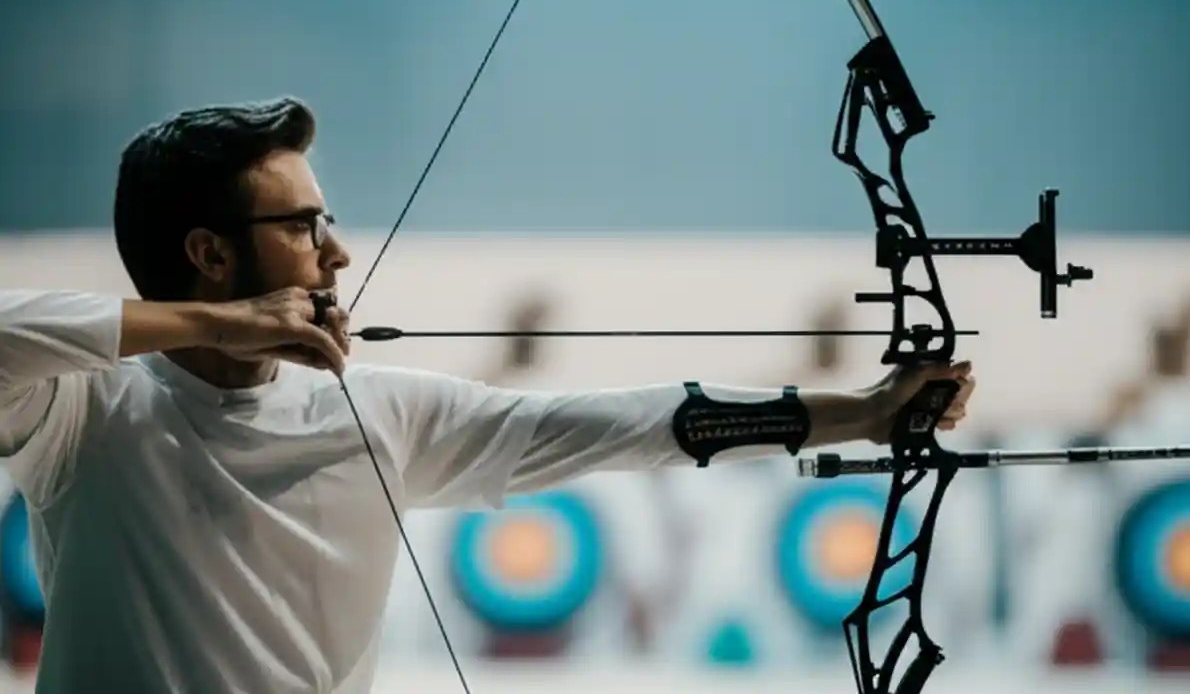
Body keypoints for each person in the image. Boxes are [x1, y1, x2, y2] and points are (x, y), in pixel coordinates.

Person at [0, 97, 975, 693]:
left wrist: (862, 412)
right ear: (209, 256)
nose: (337, 252)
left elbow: (630, 427)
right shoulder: (81, 414)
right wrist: (212, 325)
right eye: (303, 227)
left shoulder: (381, 413)